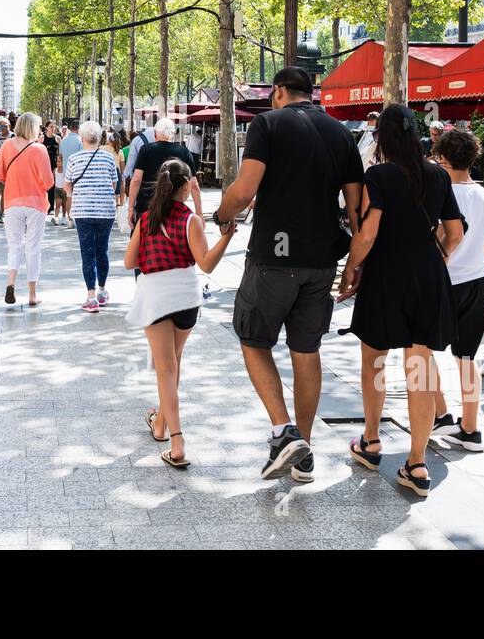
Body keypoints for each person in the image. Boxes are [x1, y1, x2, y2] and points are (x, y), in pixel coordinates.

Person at [218, 67, 364, 483]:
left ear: (279, 91)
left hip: (272, 257)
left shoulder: (267, 124)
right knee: (306, 350)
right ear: (311, 92)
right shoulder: (340, 133)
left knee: (252, 338)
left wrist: (223, 214)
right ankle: (304, 453)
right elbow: (356, 207)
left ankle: (284, 431)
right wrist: (355, 261)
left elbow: (244, 191)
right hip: (323, 261)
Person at [337, 104, 462, 497]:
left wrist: (351, 268)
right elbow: (455, 233)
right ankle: (417, 463)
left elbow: (368, 233)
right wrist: (435, 258)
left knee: (374, 358)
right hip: (427, 276)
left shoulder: (379, 175)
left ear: (382, 138)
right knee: (420, 368)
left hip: (385, 275)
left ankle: (371, 442)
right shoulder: (437, 175)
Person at [125, 159, 237, 468]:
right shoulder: (191, 221)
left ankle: (176, 442)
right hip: (186, 299)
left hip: (156, 298)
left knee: (166, 369)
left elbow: (128, 261)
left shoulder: (146, 219)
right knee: (173, 364)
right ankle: (159, 424)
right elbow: (206, 264)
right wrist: (227, 237)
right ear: (186, 186)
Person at [429, 129, 484, 453]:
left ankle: (437, 413)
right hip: (476, 281)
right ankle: (470, 429)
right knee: (467, 357)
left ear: (441, 158)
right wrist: (472, 261)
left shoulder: (439, 191)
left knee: (420, 354)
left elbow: (440, 236)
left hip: (441, 281)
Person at [0, 112, 54, 307]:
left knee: (15, 245)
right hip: (35, 203)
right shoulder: (40, 149)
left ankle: (11, 283)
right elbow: (48, 181)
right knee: (33, 247)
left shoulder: (7, 145)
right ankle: (32, 295)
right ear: (33, 128)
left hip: (12, 202)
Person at [65, 121, 122, 312]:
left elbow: (67, 187)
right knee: (102, 250)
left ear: (82, 139)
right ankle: (102, 291)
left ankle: (91, 297)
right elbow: (114, 185)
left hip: (83, 211)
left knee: (87, 253)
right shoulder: (108, 158)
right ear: (99, 139)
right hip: (105, 211)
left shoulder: (74, 159)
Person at [128, 118, 203, 228]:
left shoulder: (146, 150)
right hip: (174, 209)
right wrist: (199, 213)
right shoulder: (184, 152)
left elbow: (136, 179)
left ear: (155, 133)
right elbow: (194, 185)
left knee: (142, 242)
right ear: (173, 134)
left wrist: (130, 208)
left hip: (146, 206)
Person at [58, 124, 83, 226]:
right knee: (78, 197)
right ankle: (77, 218)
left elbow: (61, 155)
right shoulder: (79, 141)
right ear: (78, 129)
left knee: (69, 196)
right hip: (78, 172)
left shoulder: (63, 140)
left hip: (66, 172)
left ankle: (70, 220)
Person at [42, 121, 63, 225]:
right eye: (51, 126)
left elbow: (60, 153)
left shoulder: (57, 139)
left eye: (54, 127)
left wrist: (58, 166)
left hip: (54, 167)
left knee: (52, 187)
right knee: (43, 186)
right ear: (46, 128)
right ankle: (43, 205)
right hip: (43, 166)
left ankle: (51, 207)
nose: (53, 128)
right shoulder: (42, 139)